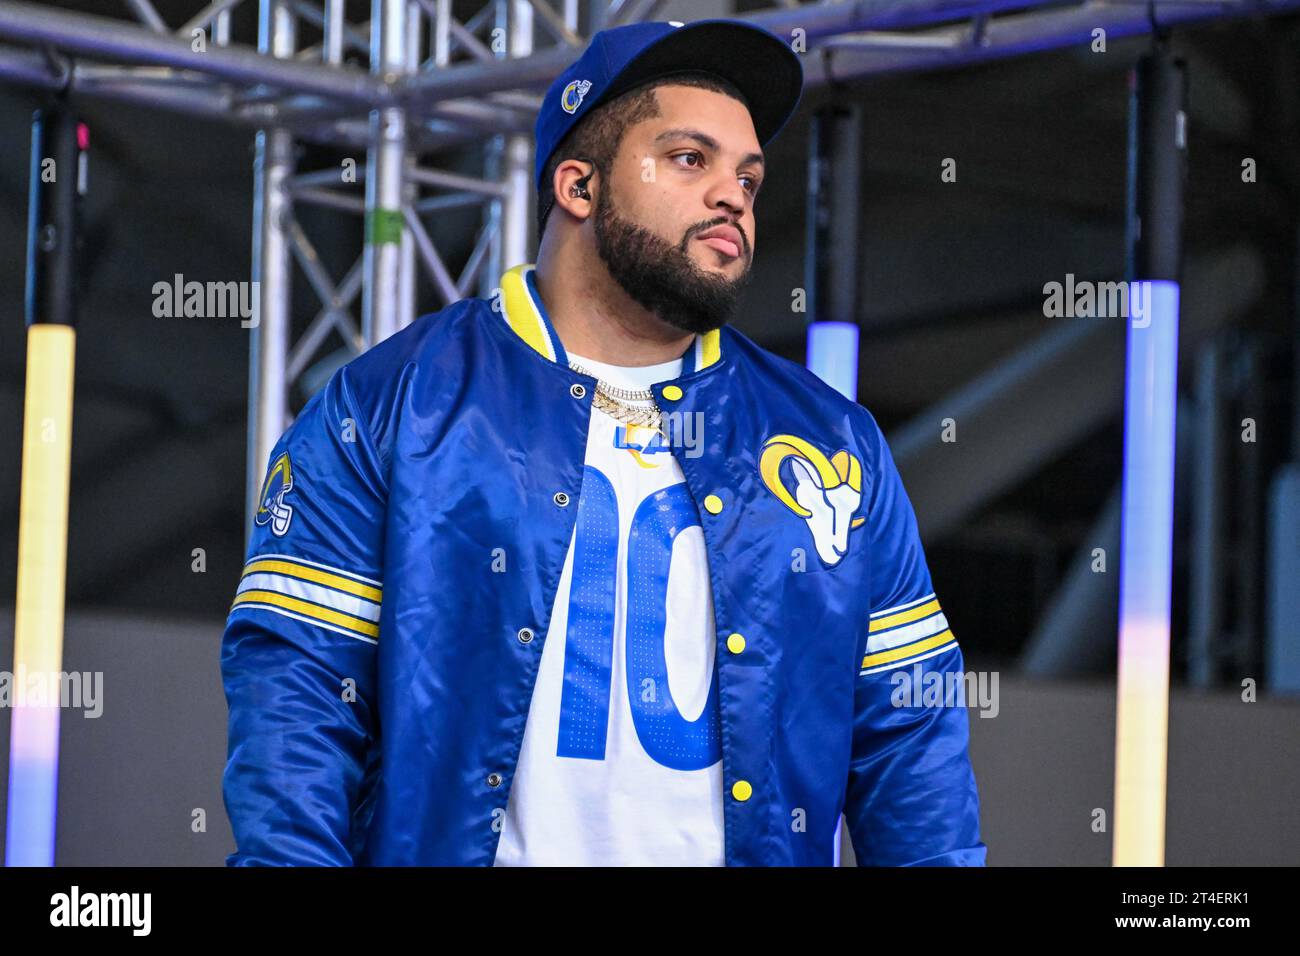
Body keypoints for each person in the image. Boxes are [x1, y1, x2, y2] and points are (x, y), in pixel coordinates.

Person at [221, 17, 987, 867]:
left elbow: (909, 739)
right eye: (691, 159)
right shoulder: (392, 402)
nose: (733, 194)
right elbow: (297, 700)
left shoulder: (833, 441)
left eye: (749, 176)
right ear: (579, 186)